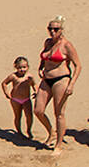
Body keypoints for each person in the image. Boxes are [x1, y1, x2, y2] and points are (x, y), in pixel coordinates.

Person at [34, 17, 80, 151]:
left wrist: (71, 84)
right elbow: (44, 57)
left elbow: (78, 65)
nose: (52, 31)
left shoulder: (66, 45)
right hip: (46, 79)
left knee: (59, 113)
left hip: (61, 79)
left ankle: (58, 145)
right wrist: (40, 67)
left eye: (56, 29)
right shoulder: (47, 42)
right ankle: (51, 132)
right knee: (38, 110)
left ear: (61, 30)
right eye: (50, 29)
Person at [0, 56, 35, 138]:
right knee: (18, 116)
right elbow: (4, 83)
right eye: (19, 67)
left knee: (29, 116)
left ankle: (29, 130)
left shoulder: (29, 76)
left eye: (24, 67)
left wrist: (36, 90)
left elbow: (34, 84)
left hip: (26, 99)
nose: (22, 69)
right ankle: (19, 131)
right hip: (15, 99)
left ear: (28, 67)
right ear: (15, 67)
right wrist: (6, 93)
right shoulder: (13, 76)